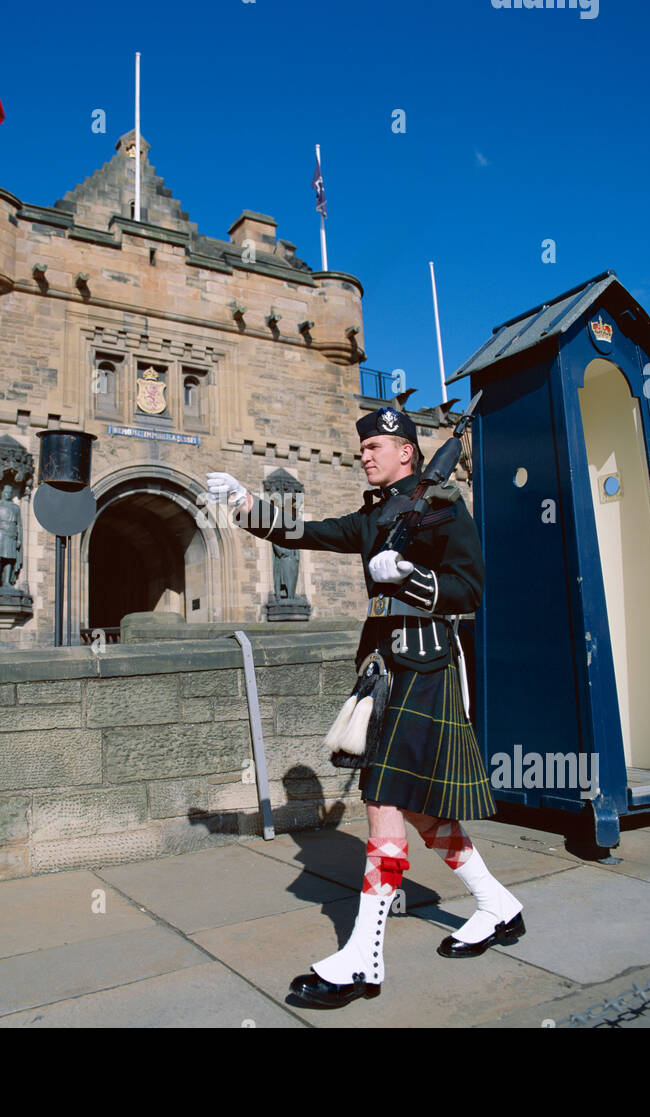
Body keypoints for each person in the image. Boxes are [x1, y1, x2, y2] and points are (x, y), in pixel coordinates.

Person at [206, 406, 522, 1010]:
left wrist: (409, 575)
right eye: (363, 446)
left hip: (427, 667)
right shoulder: (377, 514)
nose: (365, 454)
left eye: (376, 445)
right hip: (385, 670)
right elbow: (309, 531)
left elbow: (471, 589)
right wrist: (246, 504)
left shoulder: (444, 507)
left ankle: (362, 959)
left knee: (381, 800)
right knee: (424, 815)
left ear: (408, 450)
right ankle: (498, 906)